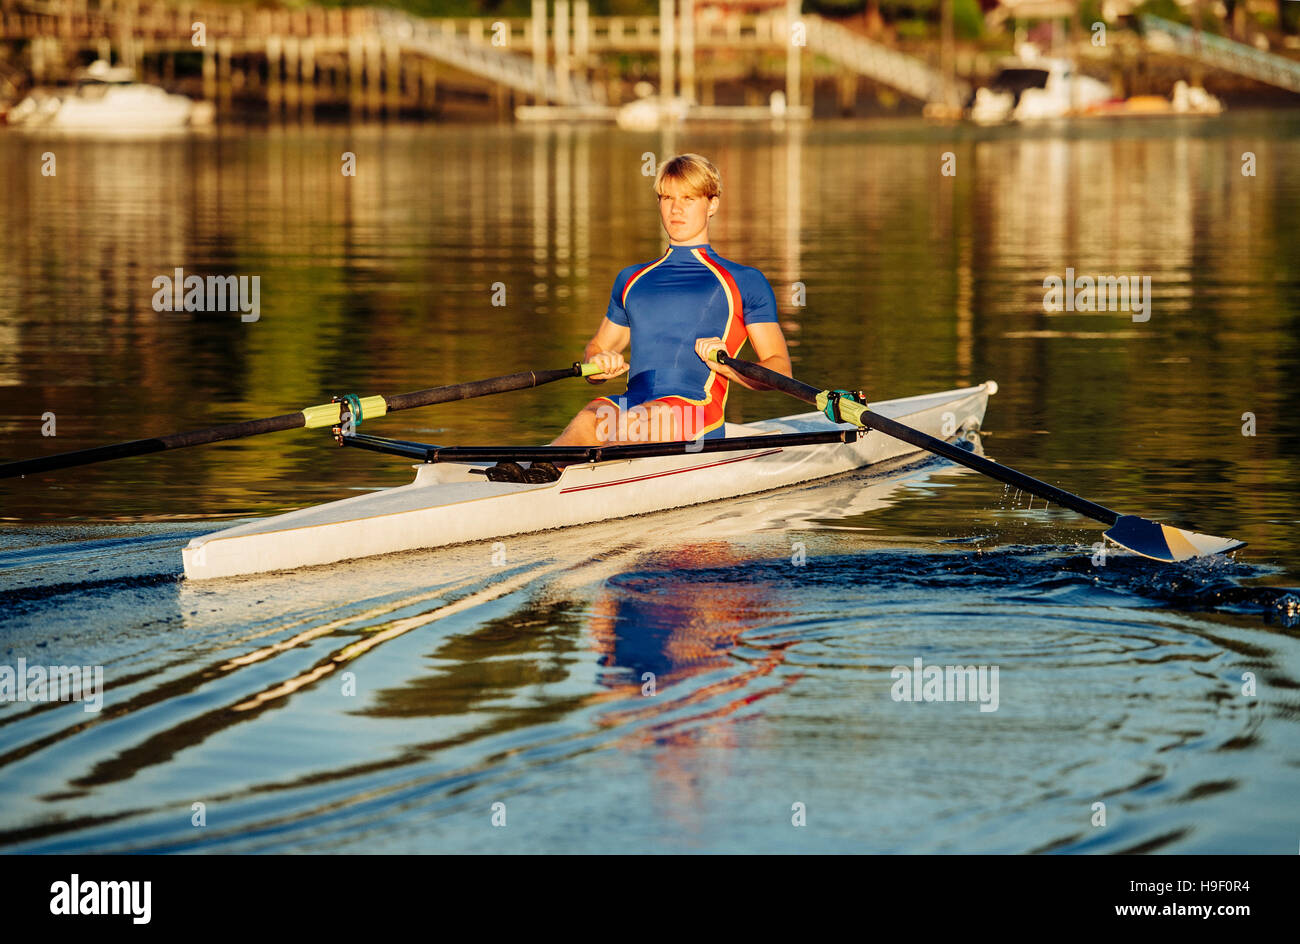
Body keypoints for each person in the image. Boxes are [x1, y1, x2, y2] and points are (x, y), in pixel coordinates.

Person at [489, 154, 792, 483]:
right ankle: (538, 476)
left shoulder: (743, 281)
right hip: (631, 406)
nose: (675, 209)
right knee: (590, 417)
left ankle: (572, 479)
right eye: (667, 198)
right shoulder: (631, 279)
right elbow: (597, 348)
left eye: (688, 198)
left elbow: (780, 368)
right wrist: (599, 362)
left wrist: (728, 365)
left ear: (713, 204)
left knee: (642, 419)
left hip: (692, 411)